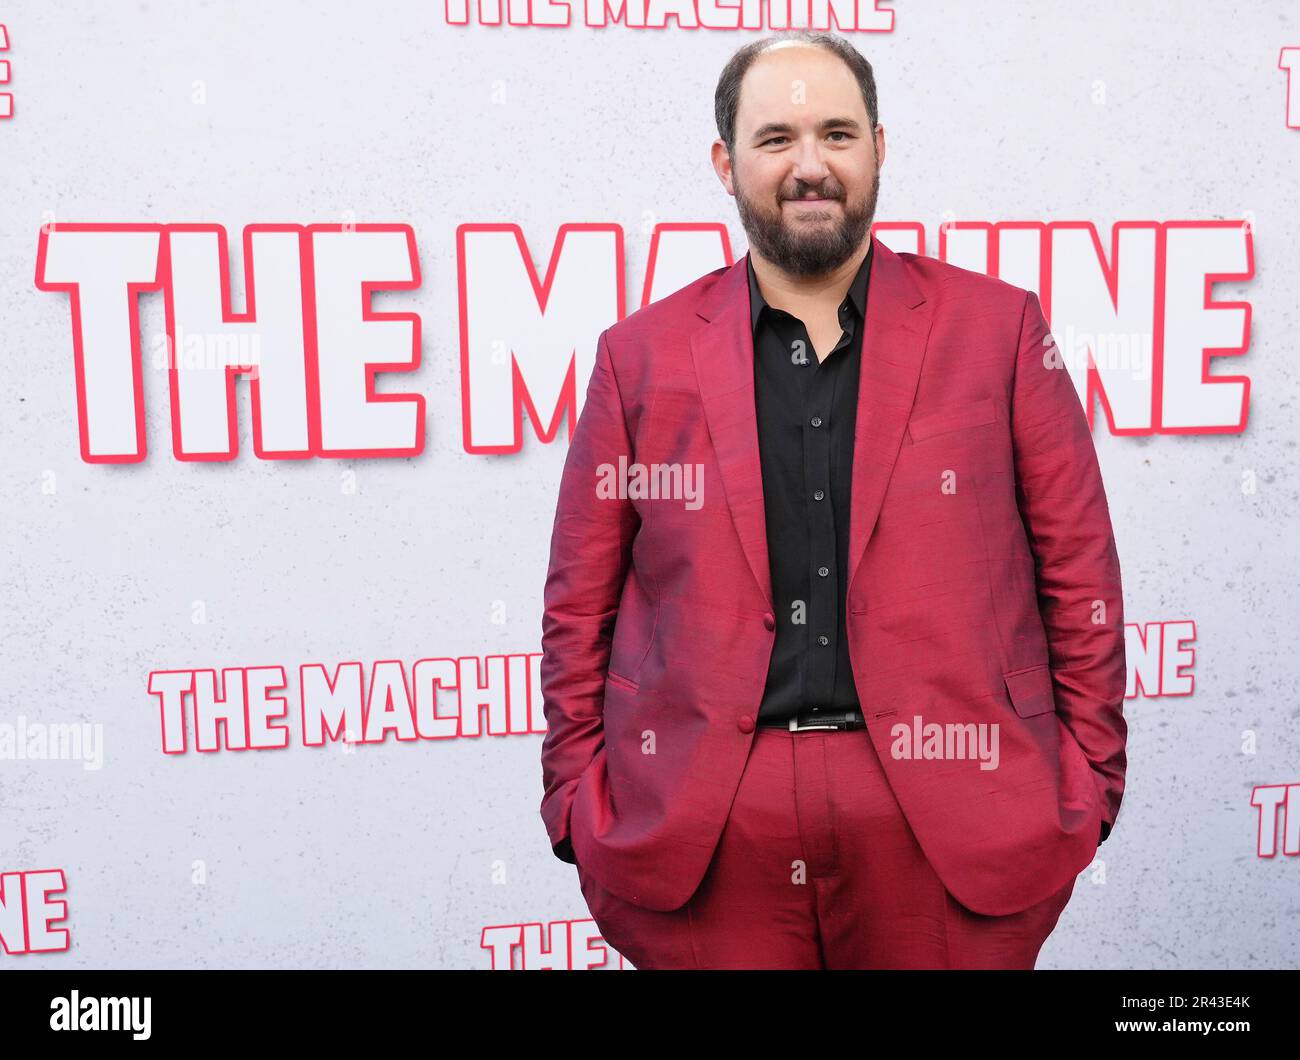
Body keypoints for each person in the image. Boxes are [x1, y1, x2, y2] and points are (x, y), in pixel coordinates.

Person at [539, 30, 1127, 969]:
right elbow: (580, 601)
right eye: (776, 139)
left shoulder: (1000, 331)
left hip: (948, 814)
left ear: (879, 150)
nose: (810, 166)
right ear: (726, 163)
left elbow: (1079, 569)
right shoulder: (637, 357)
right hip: (711, 825)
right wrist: (576, 796)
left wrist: (1091, 783)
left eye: (837, 134)